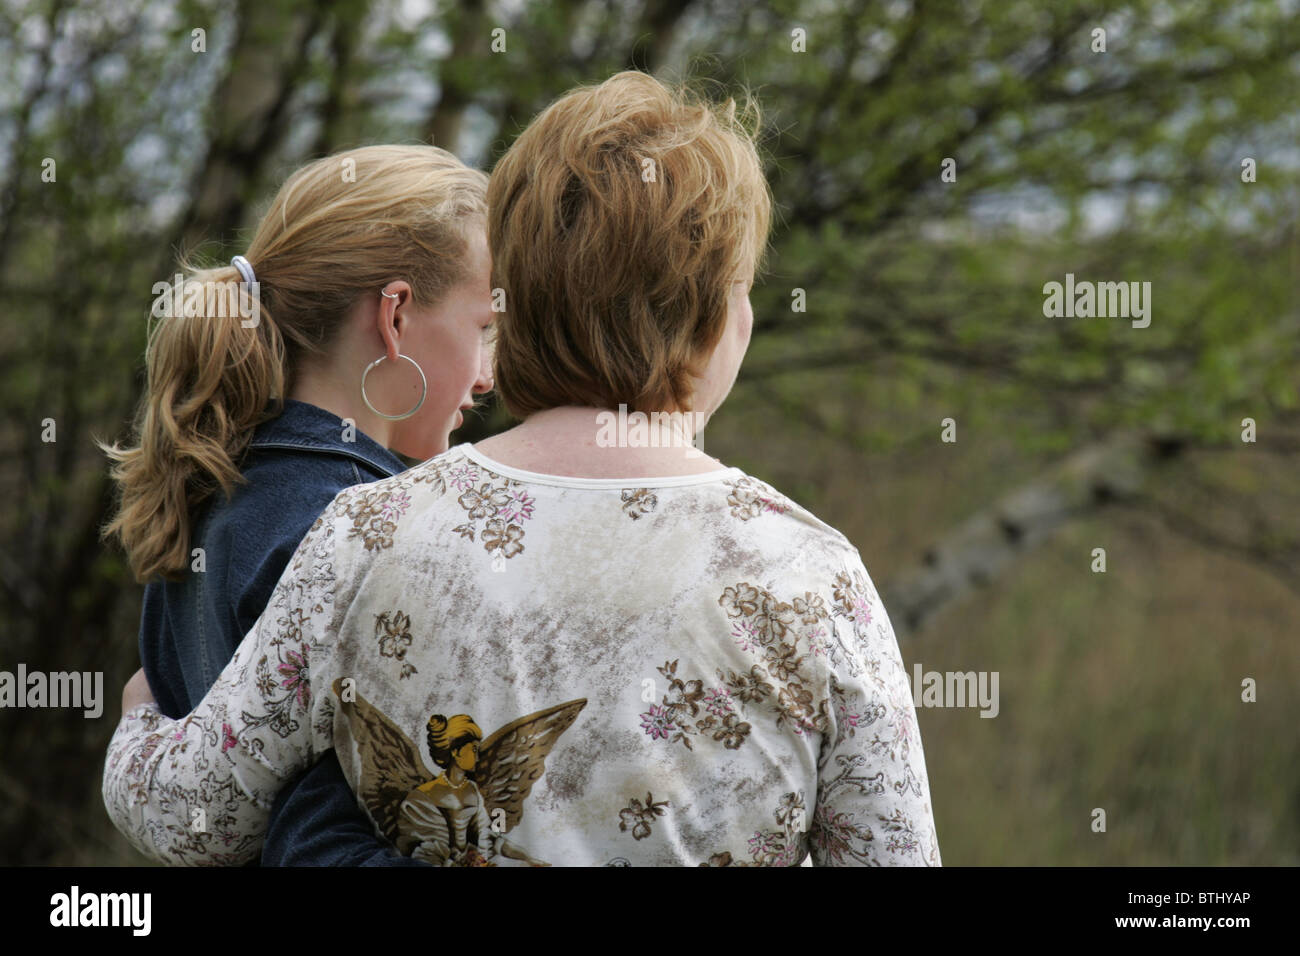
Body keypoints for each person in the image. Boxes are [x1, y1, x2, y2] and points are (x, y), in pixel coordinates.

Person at [103, 71, 941, 866]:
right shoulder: (816, 579)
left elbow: (194, 816)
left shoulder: (364, 531)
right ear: (715, 310)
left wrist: (140, 723)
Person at [100, 144, 495, 866]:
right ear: (396, 316)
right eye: (483, 328)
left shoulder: (213, 495)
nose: (489, 377)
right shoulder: (355, 530)